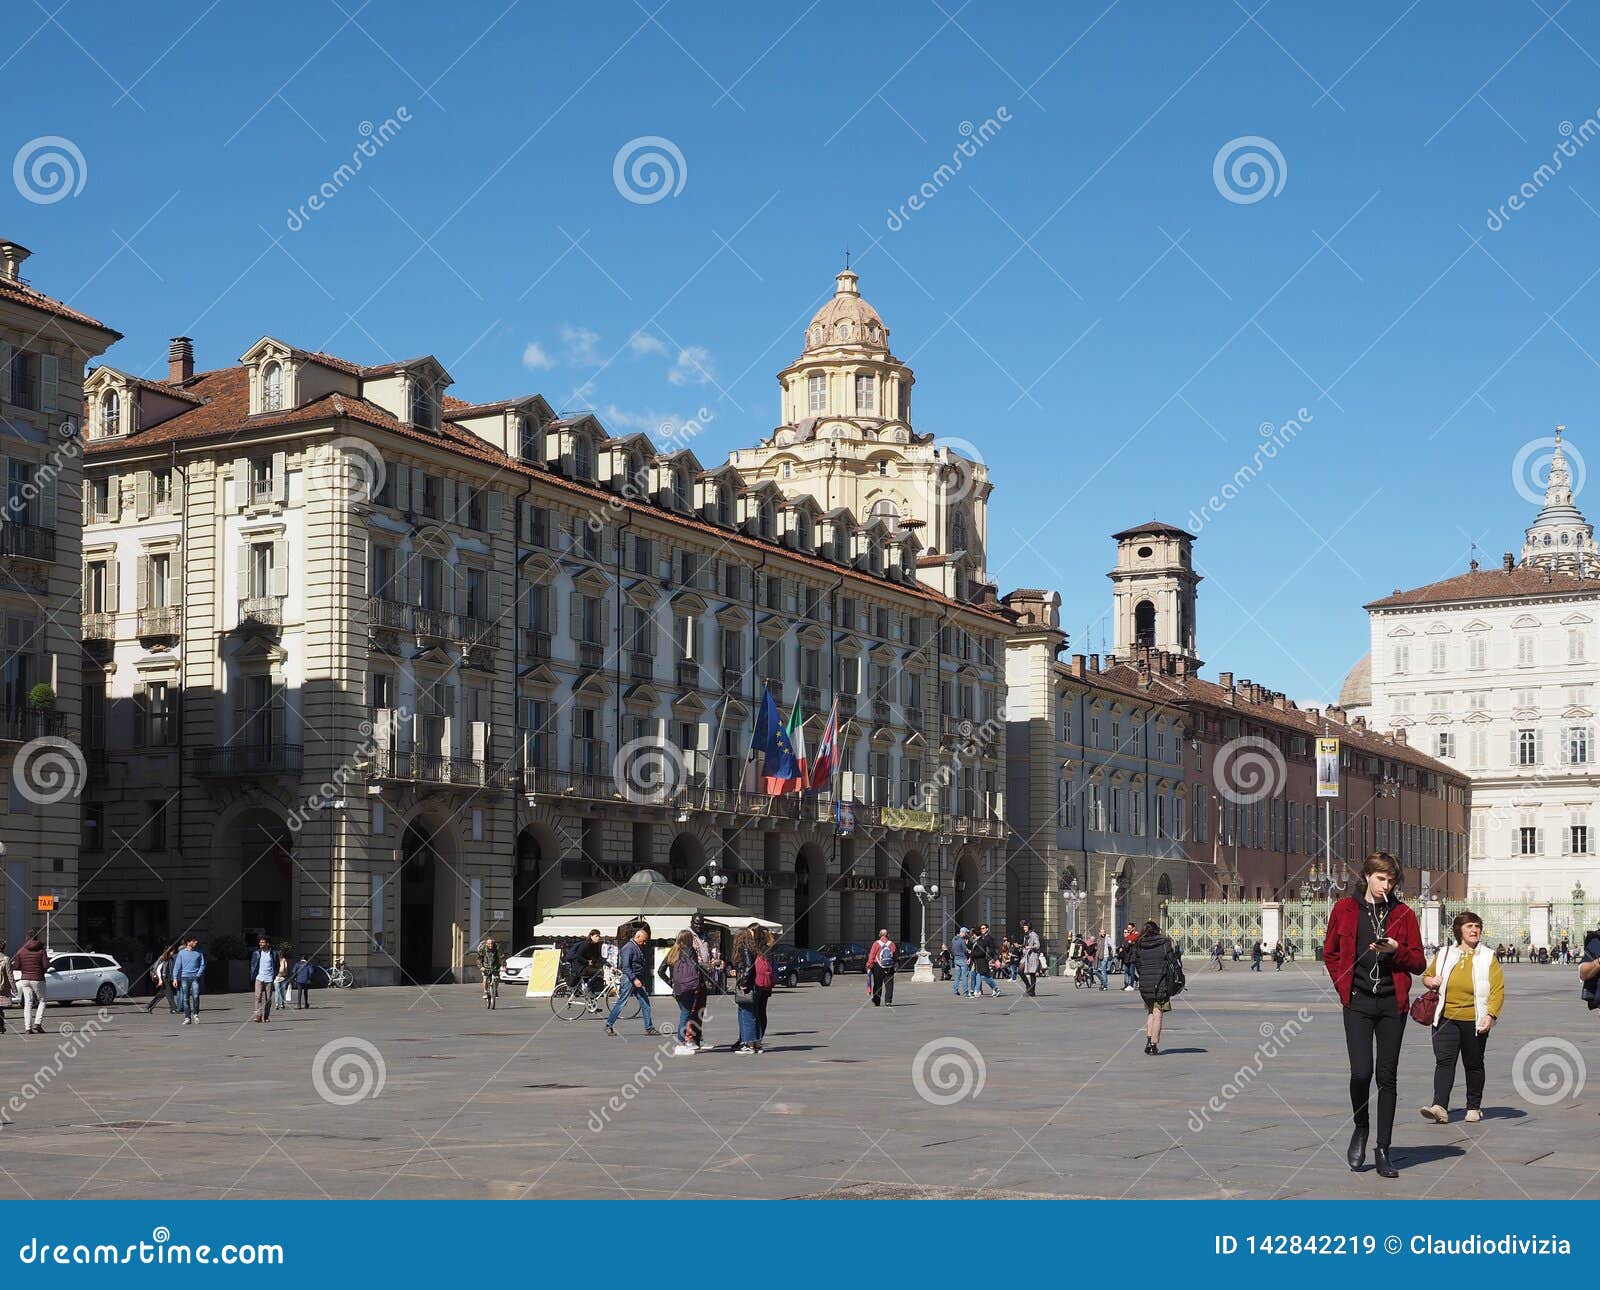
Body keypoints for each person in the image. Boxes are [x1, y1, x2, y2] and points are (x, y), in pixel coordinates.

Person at [1323, 851, 1425, 1180]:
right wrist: (1343, 987)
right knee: (1361, 1073)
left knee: (1387, 1076)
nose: (1386, 885)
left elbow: (1419, 963)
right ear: (1367, 875)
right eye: (1381, 878)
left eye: (1391, 880)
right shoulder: (1344, 909)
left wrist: (1397, 950)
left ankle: (1383, 1149)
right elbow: (1330, 952)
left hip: (1392, 1004)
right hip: (1358, 1002)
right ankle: (1361, 1126)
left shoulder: (1403, 914)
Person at [1419, 910, 1504, 1125]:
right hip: (1445, 1017)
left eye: (1477, 926)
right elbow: (1427, 976)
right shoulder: (1445, 953)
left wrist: (1491, 1014)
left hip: (1474, 1019)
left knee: (1473, 1063)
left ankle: (1473, 1106)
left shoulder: (1488, 956)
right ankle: (1439, 1107)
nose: (1474, 930)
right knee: (1444, 1061)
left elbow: (1497, 990)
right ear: (1459, 930)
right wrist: (1430, 981)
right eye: (1470, 926)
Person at [1135, 919, 1178, 1054]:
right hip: (1160, 982)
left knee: (1150, 1012)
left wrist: (1144, 975)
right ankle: (1153, 1044)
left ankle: (1149, 1042)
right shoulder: (1164, 942)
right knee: (1158, 1013)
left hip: (1145, 983)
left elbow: (1138, 964)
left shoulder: (1140, 944)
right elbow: (1172, 961)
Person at [605, 926, 658, 1036]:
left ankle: (649, 1028)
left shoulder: (636, 946)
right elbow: (625, 967)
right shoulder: (628, 948)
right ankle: (609, 1024)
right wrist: (634, 979)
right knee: (622, 1002)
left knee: (645, 1003)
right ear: (637, 936)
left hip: (636, 978)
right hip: (630, 979)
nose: (644, 943)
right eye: (643, 940)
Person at [662, 930, 703, 1055]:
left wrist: (671, 983)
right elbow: (696, 969)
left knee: (685, 1014)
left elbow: (660, 971)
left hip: (677, 989)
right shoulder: (690, 951)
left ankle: (687, 1040)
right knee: (685, 1014)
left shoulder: (673, 951)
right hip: (688, 988)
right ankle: (681, 1043)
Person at [13, 930, 49, 1035]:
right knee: (42, 1000)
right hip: (38, 978)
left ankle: (28, 1028)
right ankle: (38, 1023)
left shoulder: (21, 950)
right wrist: (42, 970)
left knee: (27, 1003)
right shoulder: (42, 950)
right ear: (37, 938)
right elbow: (46, 965)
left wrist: (24, 969)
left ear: (27, 938)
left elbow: (16, 966)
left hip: (25, 979)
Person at [172, 935, 206, 1025]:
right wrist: (175, 978)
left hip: (195, 977)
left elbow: (202, 964)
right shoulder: (181, 953)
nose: (196, 942)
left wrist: (198, 975)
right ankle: (187, 1017)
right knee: (185, 998)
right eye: (193, 941)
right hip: (184, 978)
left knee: (196, 996)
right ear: (188, 942)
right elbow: (177, 966)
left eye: (195, 941)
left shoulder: (199, 952)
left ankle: (195, 1014)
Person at [564, 929, 606, 995]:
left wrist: (607, 963)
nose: (598, 938)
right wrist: (587, 962)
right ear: (591, 936)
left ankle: (589, 989)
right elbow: (578, 956)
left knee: (599, 972)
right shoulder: (585, 944)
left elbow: (598, 957)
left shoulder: (596, 945)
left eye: (599, 936)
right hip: (579, 967)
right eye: (596, 936)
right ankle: (588, 988)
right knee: (598, 972)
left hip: (586, 966)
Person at [969, 924, 1003, 997]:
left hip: (985, 959)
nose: (982, 930)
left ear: (987, 929)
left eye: (983, 928)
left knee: (984, 976)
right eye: (981, 928)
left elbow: (992, 949)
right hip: (978, 961)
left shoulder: (988, 938)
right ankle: (977, 990)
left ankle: (979, 990)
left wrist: (995, 959)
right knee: (980, 975)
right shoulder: (981, 938)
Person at [144, 945, 178, 1015]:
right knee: (169, 993)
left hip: (168, 978)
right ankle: (173, 1008)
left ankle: (150, 1006)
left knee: (161, 994)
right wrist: (160, 980)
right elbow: (158, 970)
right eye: (172, 952)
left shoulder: (171, 959)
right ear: (169, 951)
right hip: (163, 977)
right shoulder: (163, 959)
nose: (173, 953)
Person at [250, 935, 277, 1022]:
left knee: (268, 999)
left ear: (267, 944)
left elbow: (276, 965)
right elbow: (253, 964)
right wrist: (253, 974)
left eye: (263, 942)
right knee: (258, 997)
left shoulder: (273, 954)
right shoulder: (257, 953)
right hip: (259, 978)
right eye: (260, 942)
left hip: (269, 978)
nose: (261, 944)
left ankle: (266, 1016)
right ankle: (258, 1015)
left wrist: (274, 976)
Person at [867, 929, 897, 1006]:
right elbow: (895, 956)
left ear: (879, 935)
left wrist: (869, 965)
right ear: (888, 935)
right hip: (889, 967)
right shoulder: (892, 944)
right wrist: (894, 963)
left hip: (878, 966)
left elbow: (872, 955)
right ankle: (888, 1001)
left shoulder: (876, 944)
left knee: (877, 984)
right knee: (889, 985)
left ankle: (877, 1001)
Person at [1019, 919, 1042, 996]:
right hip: (1026, 956)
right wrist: (1020, 946)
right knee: (1020, 971)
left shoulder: (1033, 934)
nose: (1024, 928)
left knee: (1032, 973)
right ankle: (1028, 986)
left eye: (1025, 927)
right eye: (1024, 927)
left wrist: (1030, 947)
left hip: (1032, 955)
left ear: (1029, 927)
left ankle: (1032, 991)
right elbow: (1025, 945)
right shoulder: (1026, 935)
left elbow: (1038, 945)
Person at [478, 935, 502, 1004]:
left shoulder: (497, 949)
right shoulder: (483, 950)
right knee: (485, 978)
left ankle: (495, 990)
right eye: (489, 944)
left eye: (491, 944)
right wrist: (481, 967)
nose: (490, 945)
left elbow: (502, 957)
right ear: (486, 944)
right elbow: (479, 959)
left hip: (495, 966)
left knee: (497, 978)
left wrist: (503, 965)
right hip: (486, 966)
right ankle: (485, 992)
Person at [951, 927, 971, 997]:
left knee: (957, 976)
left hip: (956, 958)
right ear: (963, 932)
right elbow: (965, 950)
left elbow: (952, 949)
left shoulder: (954, 939)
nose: (966, 934)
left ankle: (955, 990)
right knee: (964, 976)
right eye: (966, 933)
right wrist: (969, 950)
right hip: (962, 959)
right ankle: (965, 992)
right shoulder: (962, 940)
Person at [273, 947, 290, 1012]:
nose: (280, 955)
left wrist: (285, 975)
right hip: (277, 978)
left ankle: (282, 1004)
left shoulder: (283, 960)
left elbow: (285, 969)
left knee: (282, 991)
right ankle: (277, 1004)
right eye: (280, 954)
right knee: (278, 991)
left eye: (281, 954)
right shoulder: (276, 961)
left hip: (282, 977)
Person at [0, 938, 11, 1034]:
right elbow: (10, 975)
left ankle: (1, 1026)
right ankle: (1, 1026)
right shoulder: (6, 959)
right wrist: (14, 989)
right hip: (2, 986)